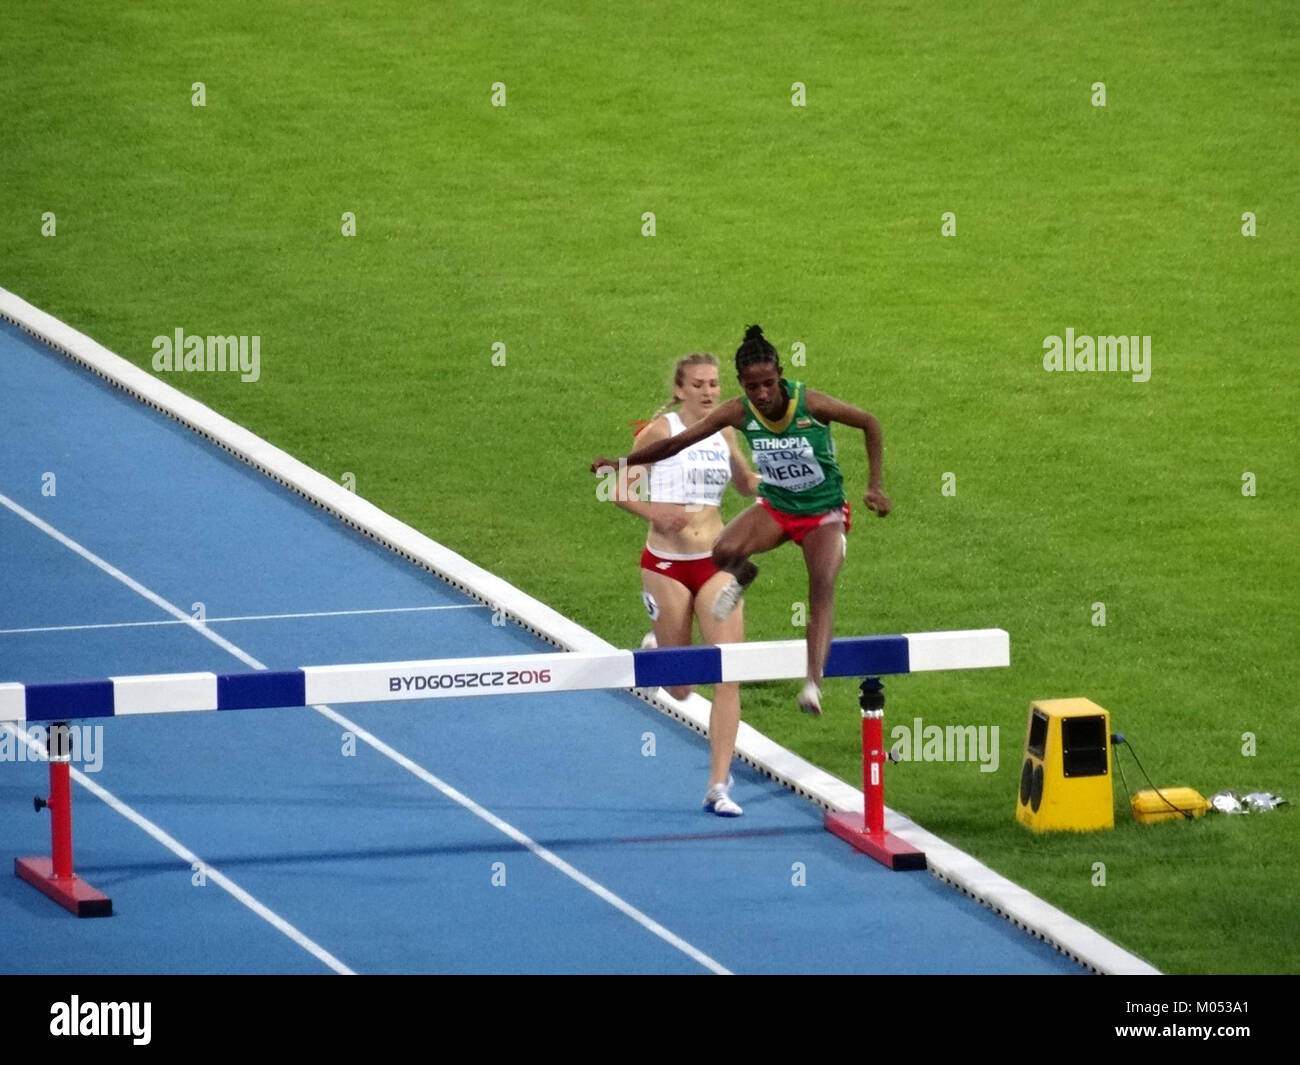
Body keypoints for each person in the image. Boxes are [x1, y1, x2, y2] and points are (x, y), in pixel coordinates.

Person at [593, 325, 892, 716]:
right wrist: (621, 462)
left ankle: (813, 685)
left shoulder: (811, 404)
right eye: (753, 387)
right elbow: (676, 443)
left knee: (821, 584)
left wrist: (874, 486)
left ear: (780, 376)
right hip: (778, 508)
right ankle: (744, 572)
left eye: (769, 384)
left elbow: (869, 422)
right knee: (723, 552)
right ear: (742, 386)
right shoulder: (737, 412)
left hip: (823, 514)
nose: (763, 394)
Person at [606, 353, 760, 817]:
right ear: (679, 390)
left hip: (717, 562)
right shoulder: (659, 432)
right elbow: (618, 490)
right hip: (666, 566)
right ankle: (660, 650)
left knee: (727, 672)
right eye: (698, 385)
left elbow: (744, 483)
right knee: (681, 689)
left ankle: (717, 785)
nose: (709, 392)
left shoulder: (724, 429)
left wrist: (783, 481)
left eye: (714, 384)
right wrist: (657, 513)